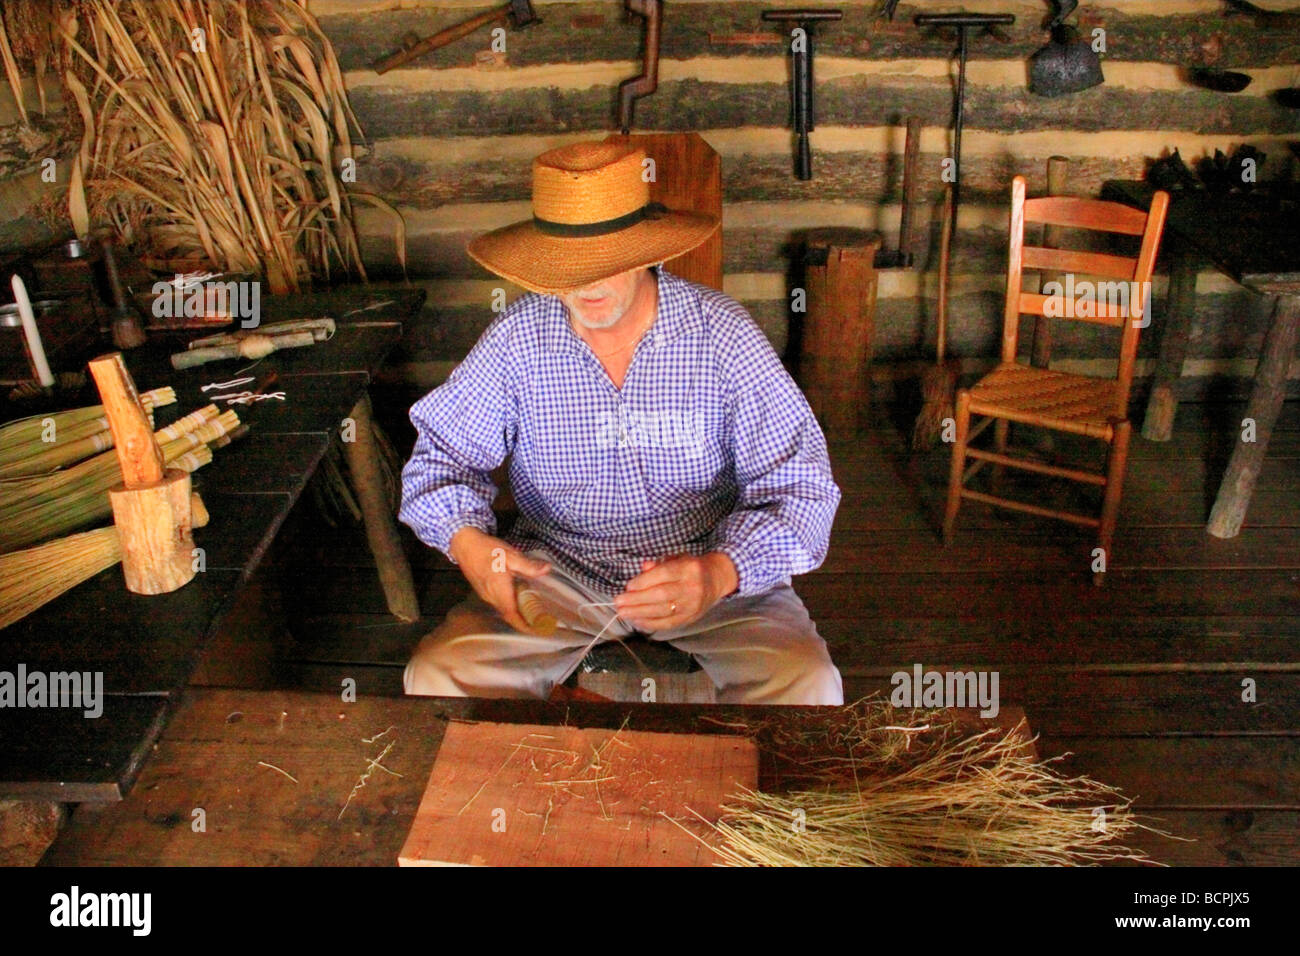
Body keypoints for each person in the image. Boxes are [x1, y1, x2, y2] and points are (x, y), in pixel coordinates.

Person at [399, 139, 843, 705]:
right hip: (557, 570)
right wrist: (470, 546)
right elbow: (442, 459)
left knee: (809, 687)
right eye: (566, 266)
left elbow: (802, 489)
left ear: (646, 251)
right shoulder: (517, 341)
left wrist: (720, 572)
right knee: (439, 677)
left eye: (608, 260)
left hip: (706, 563)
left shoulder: (722, 335)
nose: (586, 283)